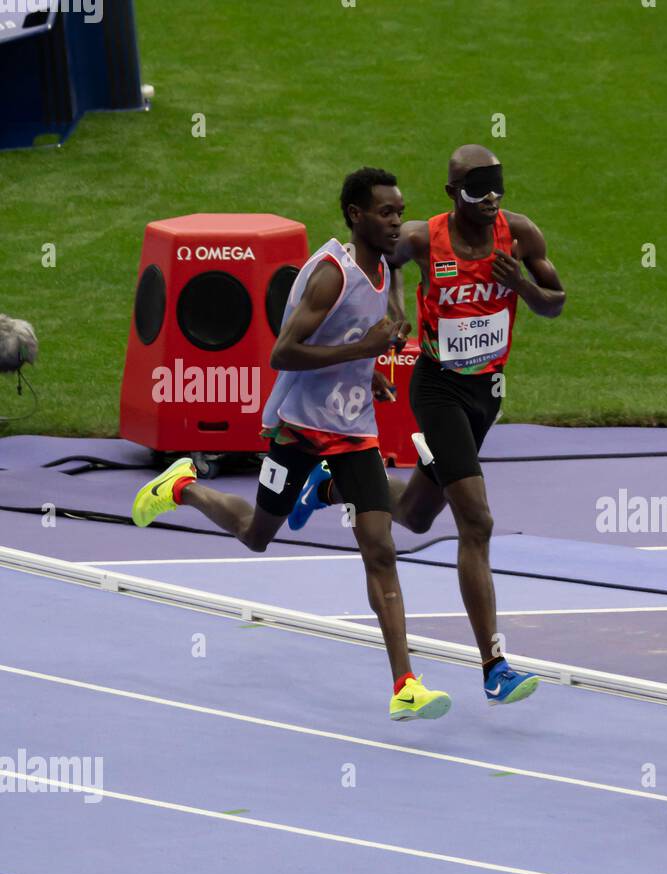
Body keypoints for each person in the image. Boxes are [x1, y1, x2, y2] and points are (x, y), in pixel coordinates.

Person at [131, 168, 451, 722]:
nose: (398, 221)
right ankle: (183, 487)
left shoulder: (384, 271)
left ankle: (405, 683)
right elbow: (283, 353)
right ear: (356, 215)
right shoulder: (332, 275)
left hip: (353, 429)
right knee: (257, 534)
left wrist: (368, 369)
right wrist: (360, 352)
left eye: (400, 211)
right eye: (386, 213)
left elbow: (356, 340)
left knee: (379, 547)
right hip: (299, 426)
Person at [289, 145, 566, 707]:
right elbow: (382, 263)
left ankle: (333, 486)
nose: (490, 202)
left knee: (416, 515)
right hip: (437, 389)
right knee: (477, 520)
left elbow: (556, 302)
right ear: (451, 194)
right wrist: (393, 307)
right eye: (476, 191)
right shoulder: (422, 238)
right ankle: (493, 665)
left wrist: (523, 289)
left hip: (486, 394)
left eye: (496, 191)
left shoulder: (521, 236)